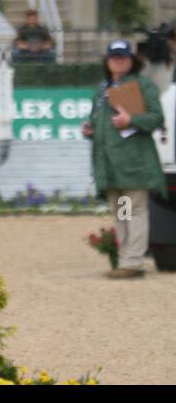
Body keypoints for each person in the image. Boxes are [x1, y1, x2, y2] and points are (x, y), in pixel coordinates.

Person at [81, 40, 165, 278]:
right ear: (107, 61)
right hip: (110, 165)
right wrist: (90, 130)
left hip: (134, 164)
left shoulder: (142, 85)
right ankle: (126, 258)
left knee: (134, 210)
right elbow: (98, 122)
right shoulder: (101, 89)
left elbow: (156, 118)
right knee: (123, 213)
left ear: (131, 60)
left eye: (123, 57)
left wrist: (132, 121)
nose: (119, 61)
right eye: (114, 57)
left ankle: (133, 261)